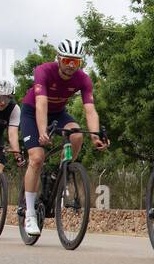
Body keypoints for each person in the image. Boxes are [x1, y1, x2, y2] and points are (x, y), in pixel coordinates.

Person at [20, 39, 107, 236]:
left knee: (76, 135)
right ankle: (30, 213)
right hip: (32, 112)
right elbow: (41, 104)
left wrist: (95, 136)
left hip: (58, 113)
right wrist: (42, 131)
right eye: (67, 60)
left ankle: (62, 172)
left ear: (80, 64)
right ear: (58, 58)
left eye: (75, 62)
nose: (70, 65)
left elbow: (90, 110)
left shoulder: (83, 79)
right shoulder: (44, 71)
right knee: (37, 158)